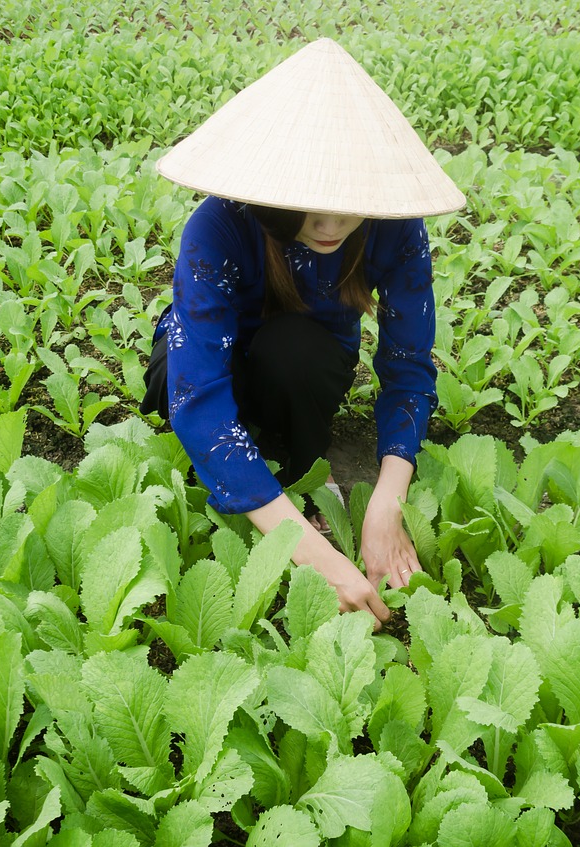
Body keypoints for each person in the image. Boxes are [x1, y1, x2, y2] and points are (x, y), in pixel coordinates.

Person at [142, 39, 465, 628]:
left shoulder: (395, 230)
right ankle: (262, 488)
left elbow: (409, 364)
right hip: (205, 362)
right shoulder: (218, 227)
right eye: (308, 207)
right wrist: (310, 552)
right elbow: (197, 393)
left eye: (346, 206)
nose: (329, 225)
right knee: (177, 383)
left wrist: (388, 500)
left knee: (297, 354)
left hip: (302, 365)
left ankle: (301, 467)